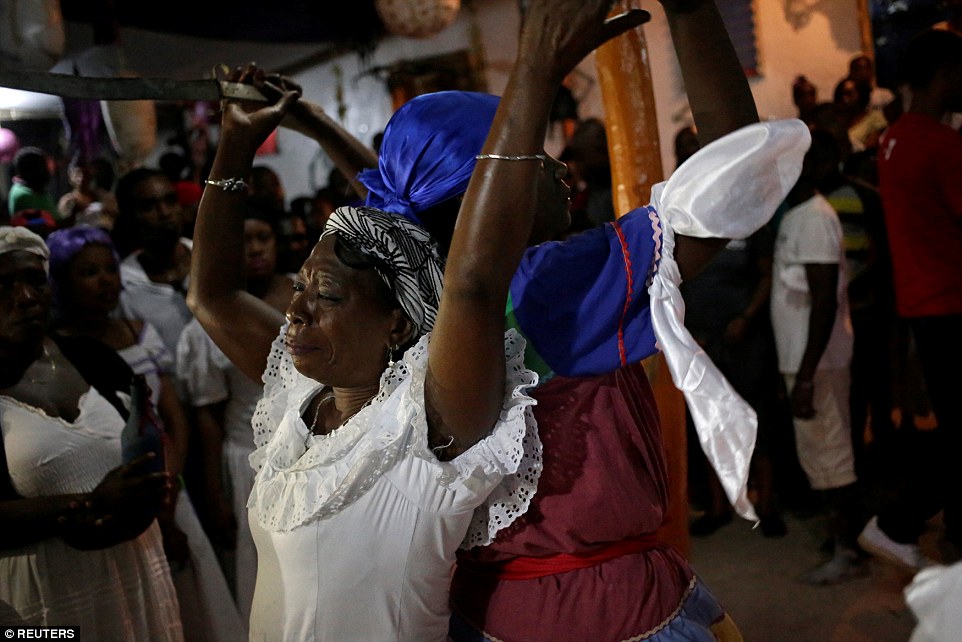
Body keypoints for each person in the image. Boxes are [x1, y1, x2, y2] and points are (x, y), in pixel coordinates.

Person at [252, 0, 809, 638]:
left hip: (486, 605)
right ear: (497, 197)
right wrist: (687, 10)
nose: (560, 168)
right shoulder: (551, 282)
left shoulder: (404, 287)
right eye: (537, 159)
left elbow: (413, 204)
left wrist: (323, 128)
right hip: (600, 608)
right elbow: (731, 175)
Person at [44, 225, 247, 641]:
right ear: (63, 282)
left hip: (169, 487)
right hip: (110, 496)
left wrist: (166, 489)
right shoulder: (56, 352)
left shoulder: (138, 332)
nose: (105, 281)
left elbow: (173, 418)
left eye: (110, 269)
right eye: (88, 272)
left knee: (195, 602)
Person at [0, 225, 182, 638]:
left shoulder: (94, 358)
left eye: (33, 280)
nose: (25, 297)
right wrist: (94, 502)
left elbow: (150, 435)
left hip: (131, 569)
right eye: (5, 284)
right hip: (44, 589)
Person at [858, 29, 962, 571]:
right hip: (952, 301)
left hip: (924, 301)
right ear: (943, 75)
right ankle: (898, 522)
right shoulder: (941, 145)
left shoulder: (893, 139)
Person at [175, 203, 293, 622]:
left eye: (264, 238)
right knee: (263, 573)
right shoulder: (206, 326)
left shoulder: (308, 296)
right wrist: (213, 490)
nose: (256, 249)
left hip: (317, 448)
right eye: (243, 242)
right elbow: (208, 416)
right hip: (248, 460)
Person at [771, 129, 865, 584]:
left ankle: (847, 550)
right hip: (805, 360)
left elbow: (824, 301)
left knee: (831, 456)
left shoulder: (813, 218)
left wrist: (807, 375)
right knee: (823, 453)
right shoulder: (798, 215)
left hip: (817, 363)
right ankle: (842, 541)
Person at [111, 167, 194, 359]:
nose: (165, 213)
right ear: (130, 217)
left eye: (171, 201)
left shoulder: (210, 261)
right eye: (149, 207)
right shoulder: (124, 285)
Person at [7, 147, 59, 226]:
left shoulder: (31, 189)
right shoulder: (25, 196)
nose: (49, 172)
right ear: (35, 170)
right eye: (45, 168)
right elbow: (45, 226)